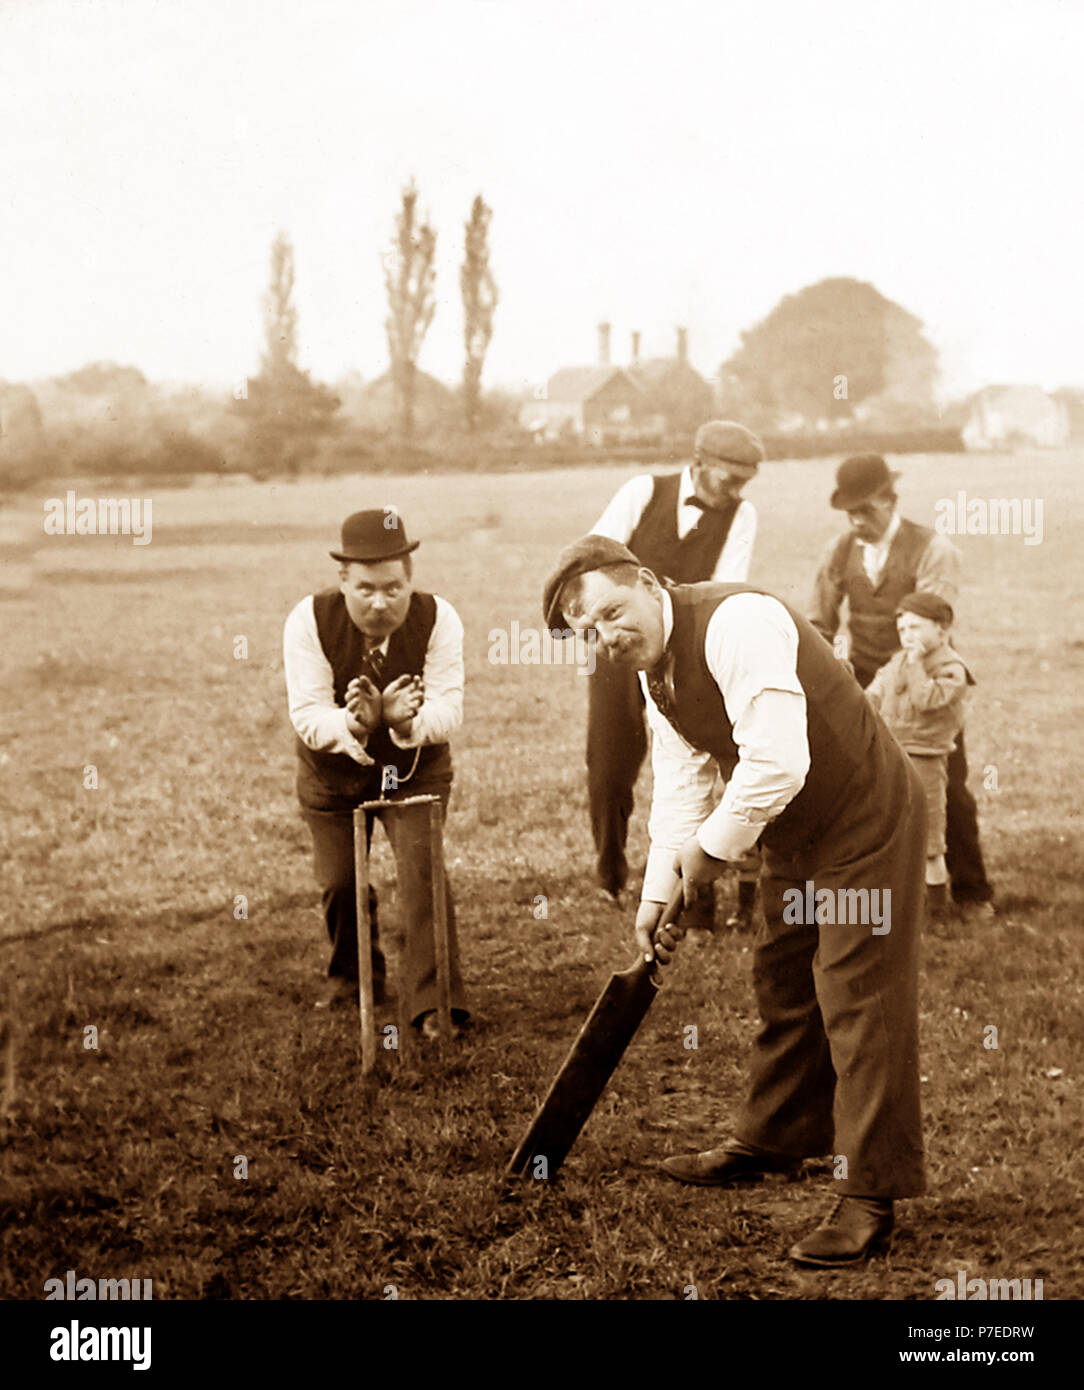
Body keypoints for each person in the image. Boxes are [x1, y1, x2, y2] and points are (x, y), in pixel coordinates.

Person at [542, 535, 927, 1267]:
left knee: (856, 993)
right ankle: (777, 1137)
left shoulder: (736, 621)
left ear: (649, 582)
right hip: (790, 828)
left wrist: (712, 856)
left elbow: (779, 759)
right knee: (783, 978)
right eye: (589, 633)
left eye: (612, 613)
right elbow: (684, 785)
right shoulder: (654, 675)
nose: (607, 638)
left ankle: (870, 1193)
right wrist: (659, 894)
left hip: (866, 818)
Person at [283, 509, 469, 1036]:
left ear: (411, 580)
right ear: (343, 580)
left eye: (394, 588)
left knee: (423, 871)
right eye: (365, 588)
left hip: (414, 772)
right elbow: (307, 713)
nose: (381, 602)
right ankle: (352, 979)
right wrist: (355, 724)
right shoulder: (308, 619)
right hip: (332, 777)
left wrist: (403, 721)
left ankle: (435, 1003)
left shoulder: (439, 618)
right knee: (340, 883)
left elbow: (449, 708)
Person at [586, 419, 762, 927]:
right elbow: (597, 556)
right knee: (610, 759)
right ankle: (610, 872)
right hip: (618, 641)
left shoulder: (742, 515)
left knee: (695, 759)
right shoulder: (644, 490)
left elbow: (726, 586)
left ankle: (693, 889)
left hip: (686, 646)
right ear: (700, 462)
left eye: (743, 482)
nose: (734, 491)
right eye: (728, 478)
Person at [809, 453, 994, 922]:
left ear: (890, 500)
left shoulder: (934, 549)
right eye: (848, 512)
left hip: (924, 679)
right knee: (857, 786)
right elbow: (819, 621)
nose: (857, 521)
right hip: (864, 683)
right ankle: (877, 888)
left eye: (865, 509)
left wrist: (895, 685)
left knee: (941, 782)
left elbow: (931, 625)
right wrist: (827, 672)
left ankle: (970, 891)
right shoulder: (838, 550)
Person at [866, 593, 974, 924]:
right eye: (902, 628)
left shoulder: (952, 669)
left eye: (915, 627)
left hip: (926, 759)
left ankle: (938, 913)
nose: (907, 635)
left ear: (941, 630)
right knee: (889, 831)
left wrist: (914, 666)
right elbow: (874, 693)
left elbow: (926, 699)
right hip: (891, 756)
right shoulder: (899, 661)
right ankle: (899, 908)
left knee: (929, 839)